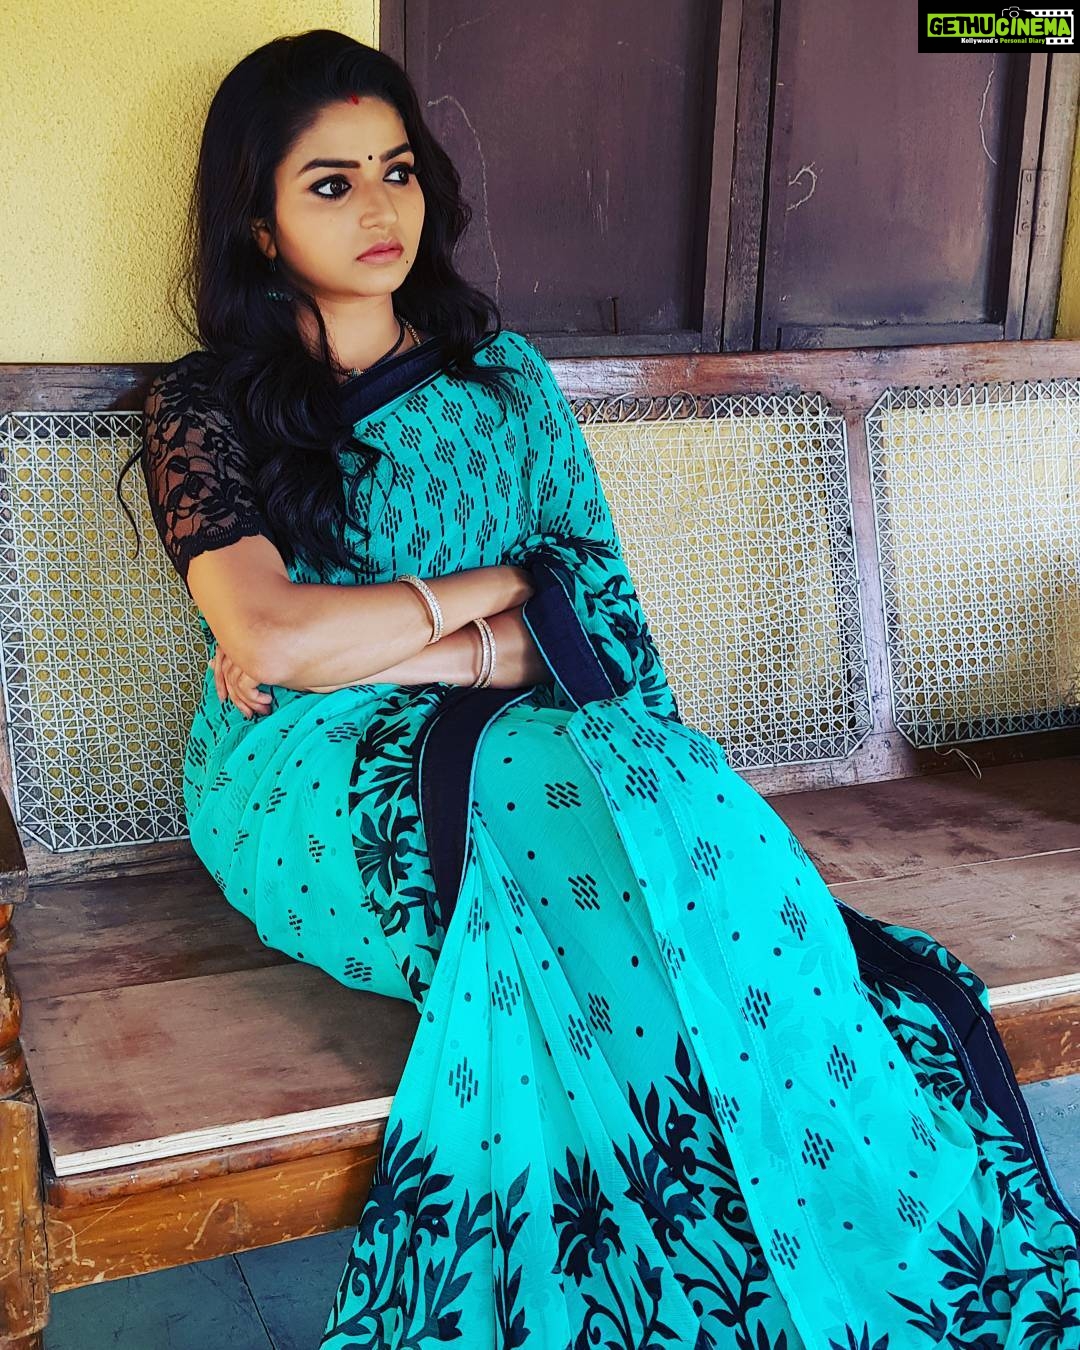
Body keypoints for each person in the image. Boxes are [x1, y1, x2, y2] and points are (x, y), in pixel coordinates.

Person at [120, 28, 1080, 1350]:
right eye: (329, 183)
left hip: (510, 730)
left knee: (665, 784)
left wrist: (385, 640)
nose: (379, 206)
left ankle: (852, 1247)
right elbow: (272, 642)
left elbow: (599, 637)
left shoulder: (502, 386)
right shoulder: (208, 403)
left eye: (397, 170)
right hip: (298, 777)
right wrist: (497, 590)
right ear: (258, 218)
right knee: (613, 818)